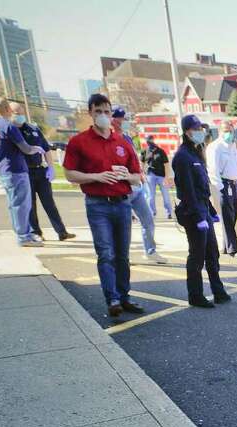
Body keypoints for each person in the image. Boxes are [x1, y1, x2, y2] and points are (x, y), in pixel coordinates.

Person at [63, 93, 146, 318]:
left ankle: (124, 296)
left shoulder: (122, 142)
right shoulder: (79, 142)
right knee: (106, 253)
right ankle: (113, 299)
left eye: (106, 112)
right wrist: (96, 177)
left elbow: (139, 176)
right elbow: (70, 174)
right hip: (98, 204)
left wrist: (127, 176)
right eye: (98, 111)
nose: (103, 116)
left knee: (122, 255)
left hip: (122, 204)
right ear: (90, 113)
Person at [172, 114, 229, 308]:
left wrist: (210, 210)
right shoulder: (182, 156)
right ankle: (195, 295)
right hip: (192, 212)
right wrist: (198, 217)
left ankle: (218, 290)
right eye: (196, 129)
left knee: (212, 252)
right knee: (197, 255)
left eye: (201, 129)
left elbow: (203, 186)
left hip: (203, 208)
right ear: (187, 131)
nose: (200, 132)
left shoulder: (197, 152)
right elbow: (188, 190)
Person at [0, 96, 46, 247]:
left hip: (3, 169)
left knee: (14, 204)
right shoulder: (8, 126)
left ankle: (22, 232)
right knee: (22, 204)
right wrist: (37, 149)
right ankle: (23, 236)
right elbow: (25, 148)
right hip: (16, 170)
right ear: (7, 109)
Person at [111, 107, 166, 264]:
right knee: (124, 226)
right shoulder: (110, 140)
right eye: (122, 118)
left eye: (126, 118)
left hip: (136, 187)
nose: (125, 121)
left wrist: (139, 174)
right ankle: (122, 257)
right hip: (122, 189)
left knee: (148, 220)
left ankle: (150, 251)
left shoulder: (127, 139)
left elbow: (134, 159)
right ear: (113, 120)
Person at [16, 104, 75, 242]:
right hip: (25, 172)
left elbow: (46, 148)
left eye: (20, 111)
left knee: (49, 203)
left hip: (40, 170)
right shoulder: (12, 131)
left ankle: (61, 231)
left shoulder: (33, 129)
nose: (19, 114)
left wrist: (50, 167)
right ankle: (36, 232)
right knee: (30, 204)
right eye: (15, 112)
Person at [209, 119, 237, 258]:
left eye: (231, 131)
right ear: (220, 132)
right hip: (224, 185)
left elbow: (236, 166)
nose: (229, 133)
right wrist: (220, 187)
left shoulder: (232, 146)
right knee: (228, 219)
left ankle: (225, 246)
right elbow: (213, 169)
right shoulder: (215, 147)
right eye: (226, 131)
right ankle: (233, 249)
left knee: (232, 217)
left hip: (234, 185)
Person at [141, 135, 172, 219]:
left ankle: (169, 212)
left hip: (161, 176)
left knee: (165, 195)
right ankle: (152, 212)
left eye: (151, 140)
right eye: (148, 140)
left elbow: (166, 165)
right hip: (150, 175)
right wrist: (142, 174)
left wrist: (167, 177)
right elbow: (142, 164)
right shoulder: (144, 151)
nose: (149, 142)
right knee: (150, 196)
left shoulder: (161, 151)